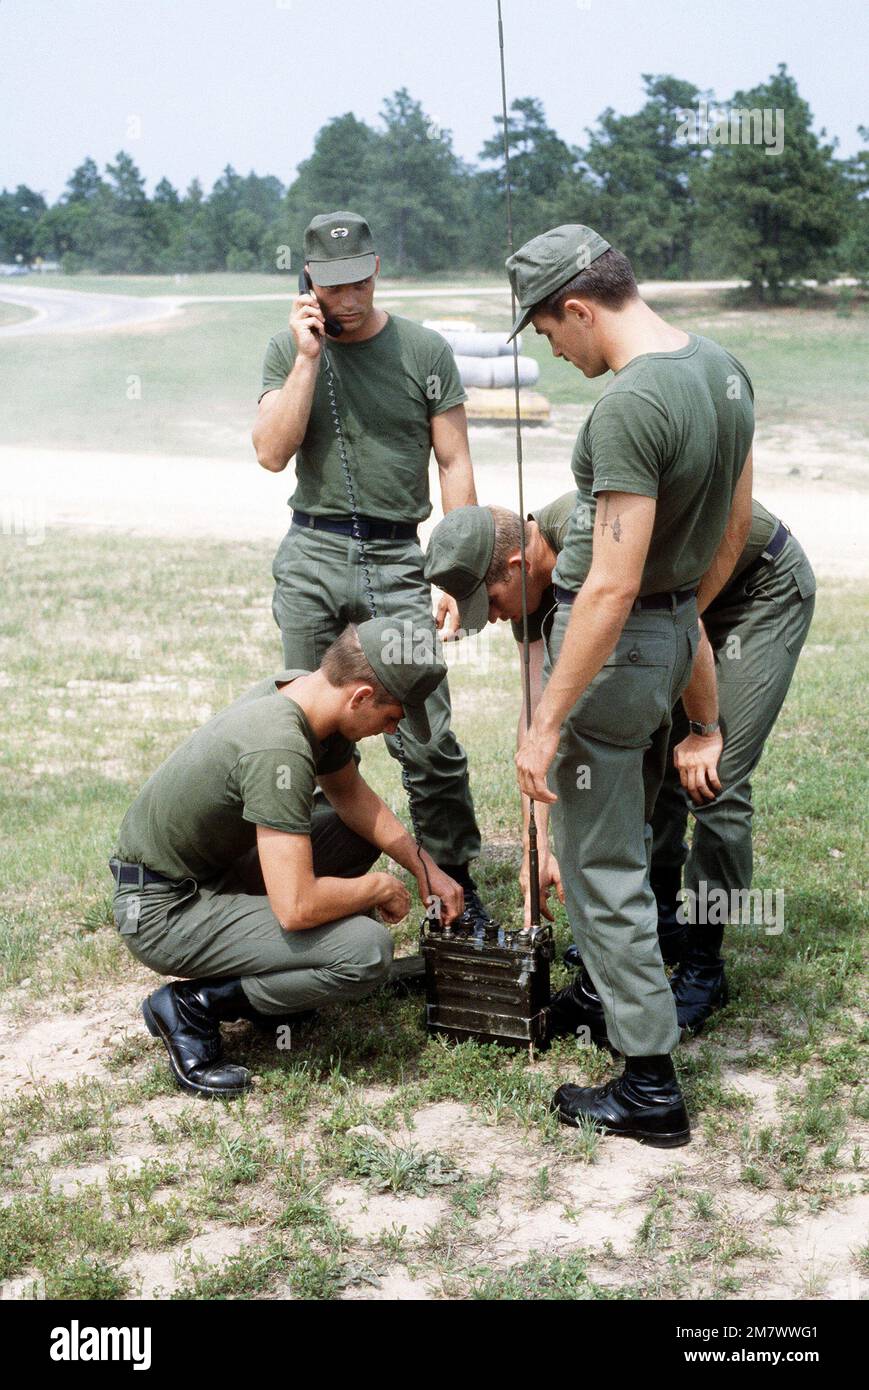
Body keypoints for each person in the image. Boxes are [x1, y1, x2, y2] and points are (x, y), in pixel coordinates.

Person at [502, 223, 756, 1146]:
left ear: (577, 307)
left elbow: (606, 581)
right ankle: (616, 1004)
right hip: (669, 636)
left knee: (601, 866)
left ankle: (647, 1084)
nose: (552, 351)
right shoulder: (721, 370)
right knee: (635, 838)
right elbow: (727, 529)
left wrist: (544, 724)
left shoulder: (628, 406)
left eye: (545, 333)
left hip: (609, 653)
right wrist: (680, 631)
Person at [425, 491, 815, 1035]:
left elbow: (688, 626)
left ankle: (704, 966)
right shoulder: (529, 585)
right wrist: (537, 851)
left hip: (755, 592)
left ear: (517, 567)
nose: (490, 619)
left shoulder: (592, 538)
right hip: (679, 616)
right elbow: (539, 716)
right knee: (659, 759)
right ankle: (658, 922)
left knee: (712, 780)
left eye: (489, 603)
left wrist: (705, 730)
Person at [252, 209, 492, 930]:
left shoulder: (424, 350)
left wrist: (453, 570)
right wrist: (305, 360)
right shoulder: (288, 348)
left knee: (425, 731)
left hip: (397, 556)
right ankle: (308, 880)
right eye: (330, 287)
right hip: (313, 552)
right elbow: (269, 452)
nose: (346, 300)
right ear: (306, 284)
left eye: (357, 283)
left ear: (376, 270)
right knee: (305, 729)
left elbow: (453, 460)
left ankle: (456, 877)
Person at [109, 618, 463, 1100]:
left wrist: (425, 868)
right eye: (392, 716)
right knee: (364, 950)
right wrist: (379, 888)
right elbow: (297, 906)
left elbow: (352, 798)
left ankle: (272, 981)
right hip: (161, 908)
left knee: (357, 836)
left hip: (208, 872)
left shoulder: (307, 691)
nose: (392, 729)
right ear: (359, 697)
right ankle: (194, 1005)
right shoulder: (279, 748)